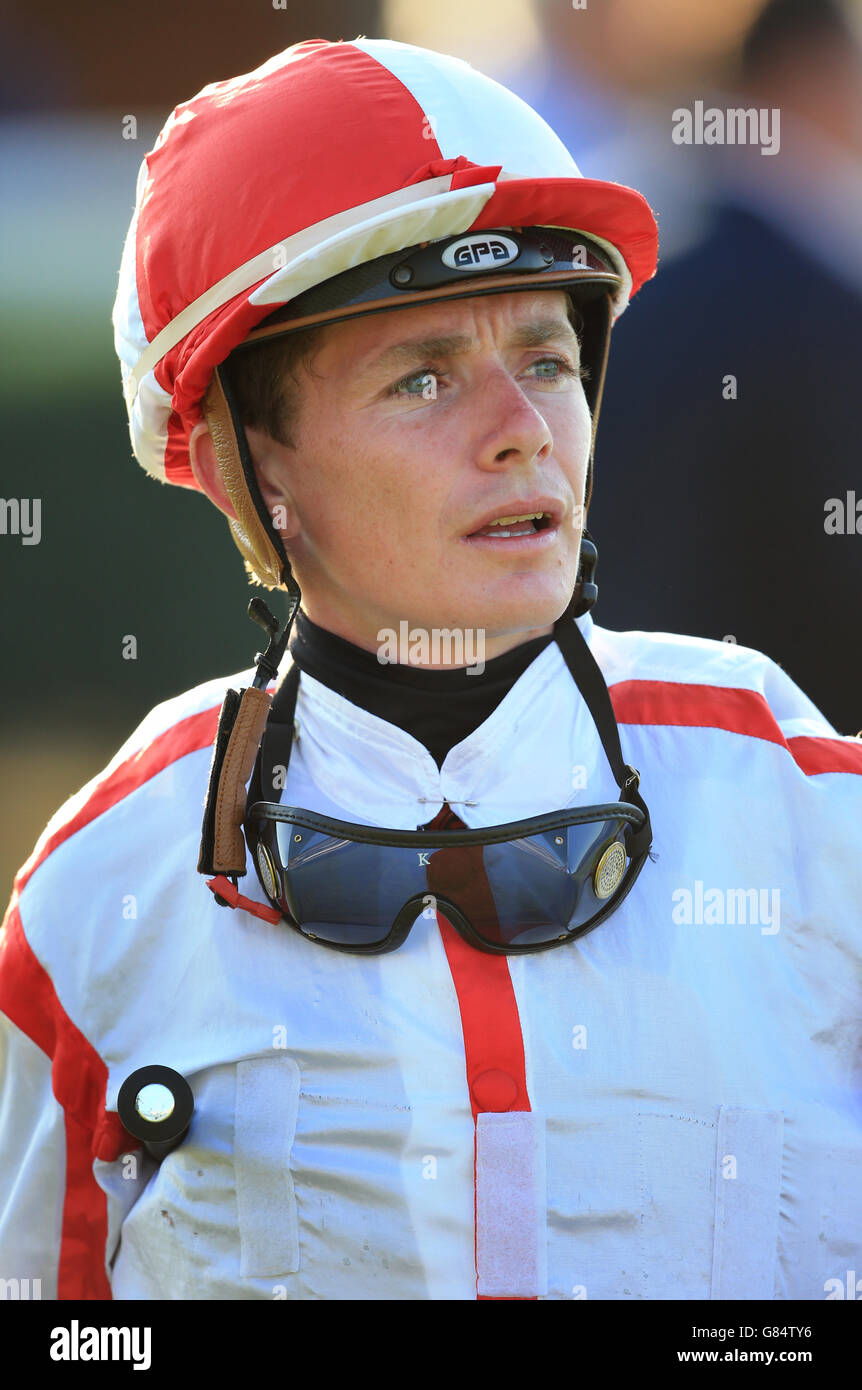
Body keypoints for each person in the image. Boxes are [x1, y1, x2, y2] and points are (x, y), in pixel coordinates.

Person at [1, 36, 859, 1303]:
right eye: (423, 377)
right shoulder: (96, 894)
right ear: (255, 465)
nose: (523, 435)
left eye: (548, 360)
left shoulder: (815, 806)